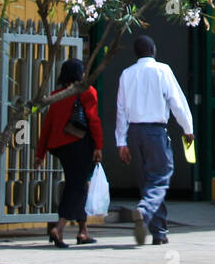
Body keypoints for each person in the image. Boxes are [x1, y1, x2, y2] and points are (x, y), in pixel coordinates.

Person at [115, 35, 194, 245]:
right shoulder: (162, 70)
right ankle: (144, 210)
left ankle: (159, 232)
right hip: (155, 132)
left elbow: (121, 110)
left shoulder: (126, 74)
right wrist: (187, 128)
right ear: (153, 50)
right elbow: (176, 101)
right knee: (161, 176)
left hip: (134, 133)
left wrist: (121, 141)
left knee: (147, 182)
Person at [34, 58, 104, 247]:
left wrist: (39, 154)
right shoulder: (87, 92)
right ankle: (59, 228)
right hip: (80, 144)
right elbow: (94, 120)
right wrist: (99, 146)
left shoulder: (57, 95)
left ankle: (83, 231)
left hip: (60, 148)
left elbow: (47, 126)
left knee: (77, 184)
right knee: (78, 187)